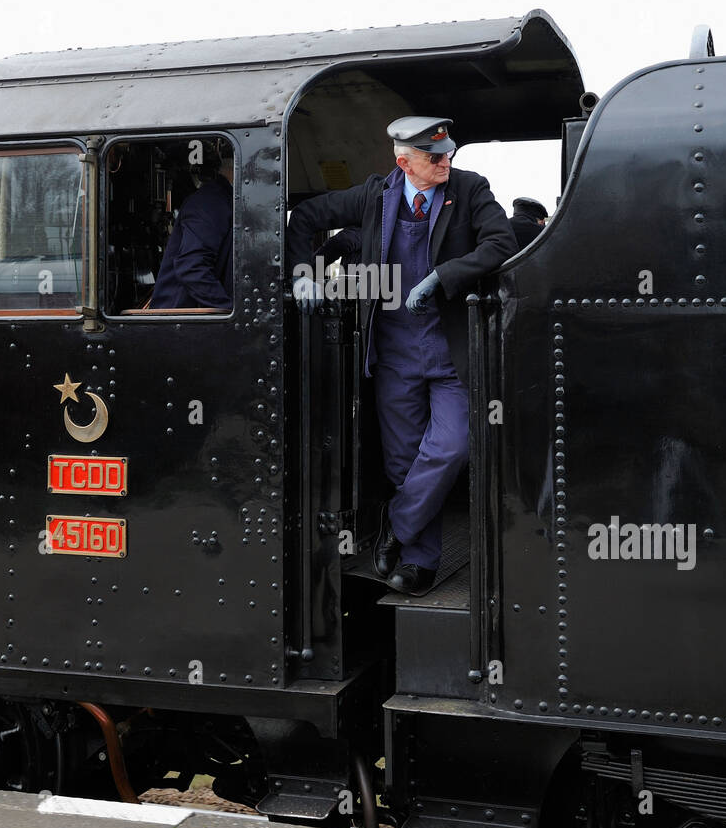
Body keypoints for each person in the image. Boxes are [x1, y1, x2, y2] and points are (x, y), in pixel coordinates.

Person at [287, 117, 517, 595]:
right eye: (434, 158)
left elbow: (501, 243)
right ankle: (419, 560)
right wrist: (301, 274)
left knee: (452, 448)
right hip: (394, 353)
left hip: (450, 353)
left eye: (447, 154)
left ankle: (397, 521)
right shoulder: (375, 195)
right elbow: (304, 218)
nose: (444, 162)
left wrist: (447, 275)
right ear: (403, 162)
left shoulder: (470, 189)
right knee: (403, 463)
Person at [150, 139, 234, 309]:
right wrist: (229, 311)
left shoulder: (220, 200)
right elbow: (192, 267)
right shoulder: (211, 202)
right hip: (179, 323)